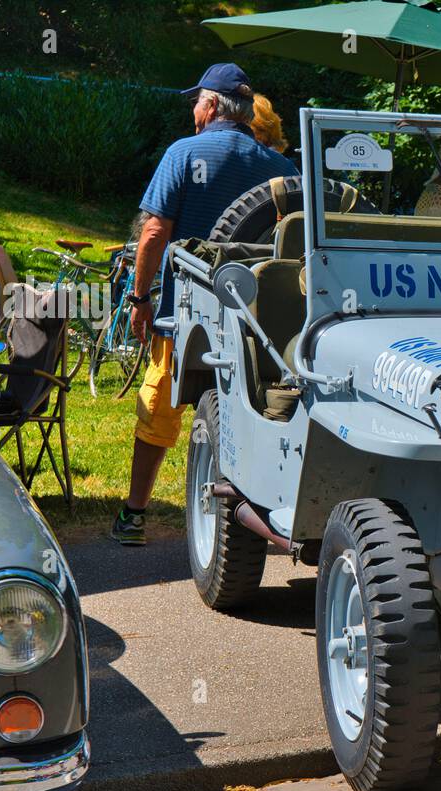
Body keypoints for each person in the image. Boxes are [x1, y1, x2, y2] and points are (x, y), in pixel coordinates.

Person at [112, 63, 296, 546]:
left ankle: (134, 513)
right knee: (245, 409)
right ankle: (250, 513)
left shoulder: (183, 153)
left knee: (158, 409)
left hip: (184, 314)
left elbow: (153, 232)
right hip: (257, 322)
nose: (193, 108)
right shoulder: (281, 169)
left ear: (211, 105)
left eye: (197, 100)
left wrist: (139, 295)